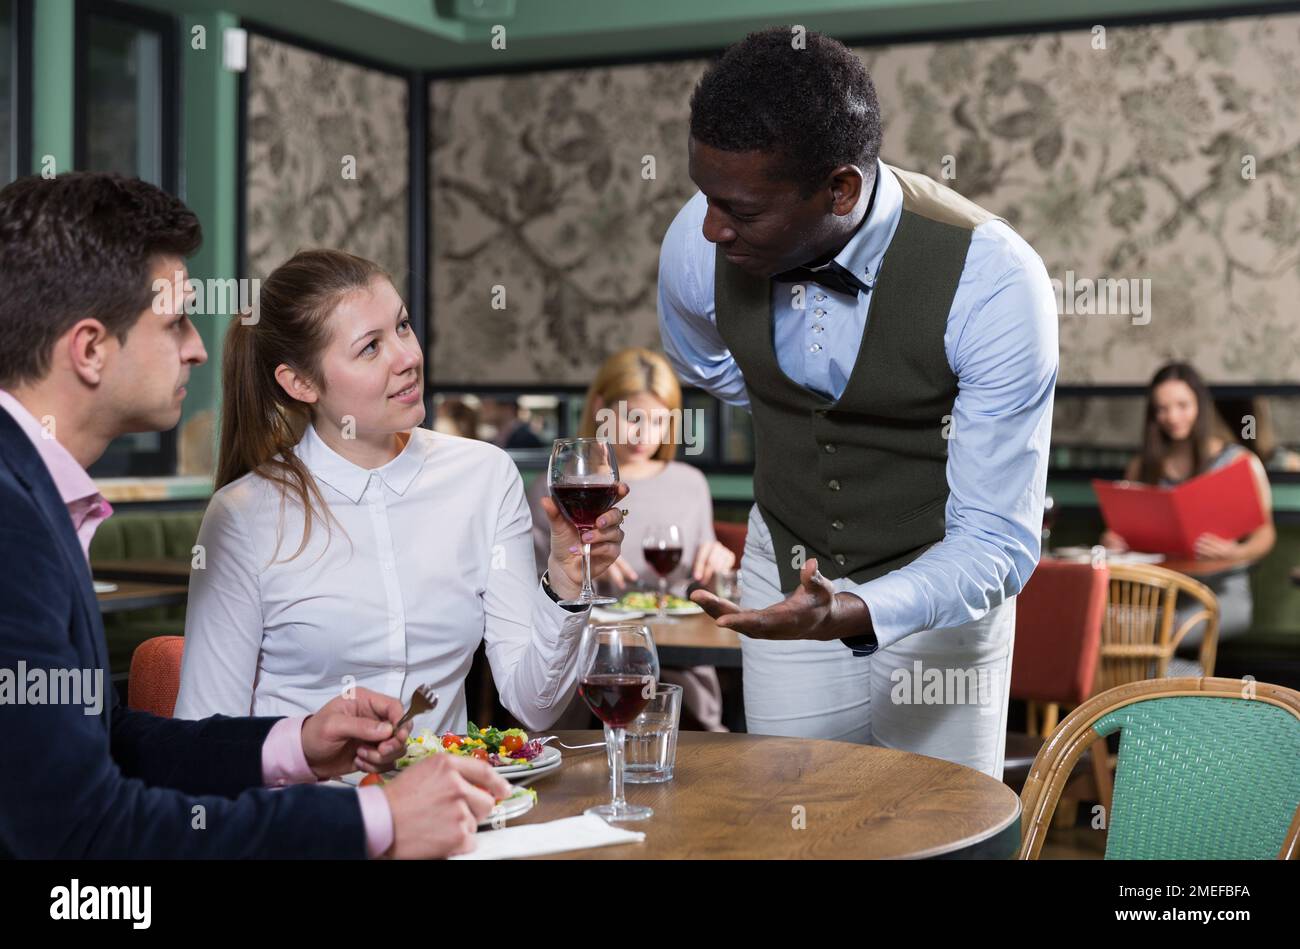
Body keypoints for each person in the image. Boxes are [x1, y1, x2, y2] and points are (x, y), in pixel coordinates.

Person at [0, 172, 510, 859]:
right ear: (90, 349)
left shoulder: (31, 494)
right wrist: (374, 823)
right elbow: (84, 832)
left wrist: (295, 742)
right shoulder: (13, 522)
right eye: (175, 321)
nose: (199, 347)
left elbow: (108, 739)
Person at [658, 29, 1057, 779]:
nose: (711, 227)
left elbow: (998, 542)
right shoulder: (699, 237)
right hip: (785, 571)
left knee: (939, 825)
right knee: (794, 818)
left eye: (739, 210)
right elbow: (706, 360)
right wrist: (797, 407)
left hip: (942, 589)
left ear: (840, 189)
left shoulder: (995, 280)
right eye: (707, 197)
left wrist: (861, 608)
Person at [174, 249, 628, 738]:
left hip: (448, 803)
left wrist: (564, 583)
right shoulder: (243, 515)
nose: (408, 357)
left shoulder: (484, 476)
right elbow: (204, 734)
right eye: (370, 347)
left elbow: (534, 706)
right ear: (301, 382)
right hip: (309, 807)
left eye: (403, 326)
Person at [527, 347, 734, 731]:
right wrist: (582, 559)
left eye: (659, 422)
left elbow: (694, 588)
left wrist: (718, 563)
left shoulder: (690, 484)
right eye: (633, 419)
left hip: (674, 657)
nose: (645, 435)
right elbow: (534, 596)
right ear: (603, 409)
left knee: (691, 716)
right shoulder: (556, 489)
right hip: (584, 656)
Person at [1102, 362, 1275, 672]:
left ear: (1200, 406)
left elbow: (1266, 535)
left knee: (1156, 635)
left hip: (1222, 594)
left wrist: (1236, 552)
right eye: (1162, 409)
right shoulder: (1143, 467)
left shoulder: (1238, 462)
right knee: (1112, 628)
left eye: (1182, 405)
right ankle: (1184, 688)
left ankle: (1179, 689)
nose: (1172, 417)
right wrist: (1113, 540)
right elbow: (1125, 533)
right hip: (1162, 593)